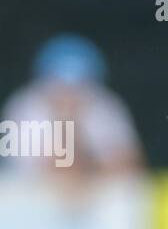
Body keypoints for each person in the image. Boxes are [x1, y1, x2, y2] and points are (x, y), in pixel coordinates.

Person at [0, 35, 144, 179]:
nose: (68, 95)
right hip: (30, 193)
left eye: (79, 87)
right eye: (58, 86)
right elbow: (53, 172)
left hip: (94, 191)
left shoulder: (105, 105)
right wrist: (66, 122)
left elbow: (131, 165)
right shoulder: (25, 108)